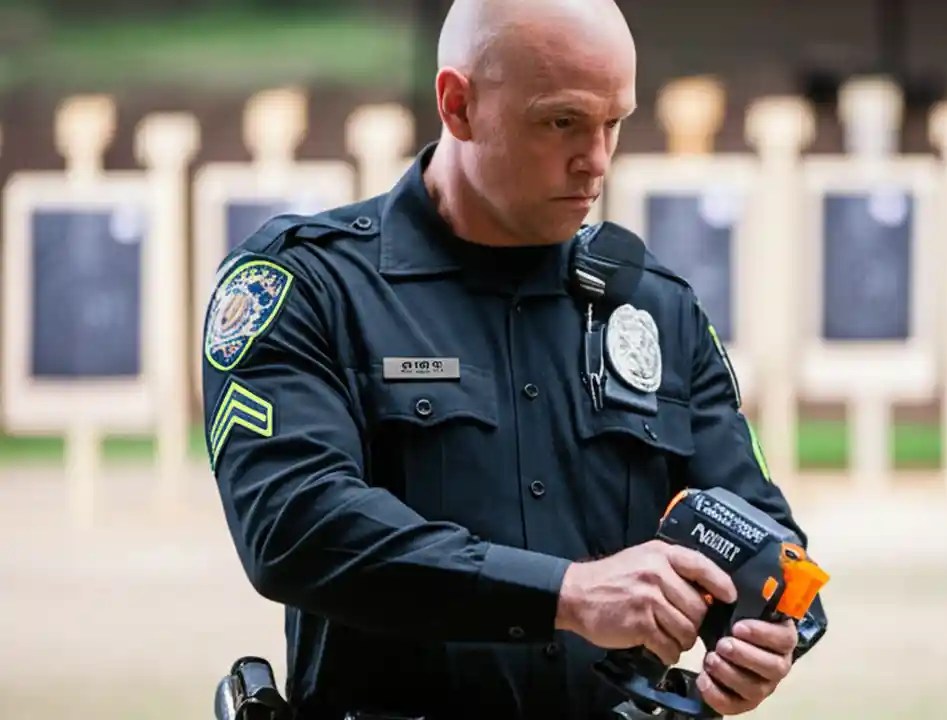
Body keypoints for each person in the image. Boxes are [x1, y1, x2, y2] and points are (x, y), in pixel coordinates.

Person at [201, 0, 825, 717]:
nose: (596, 159)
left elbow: (757, 533)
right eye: (561, 121)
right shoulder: (310, 287)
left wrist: (759, 635)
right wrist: (567, 594)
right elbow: (296, 525)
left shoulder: (656, 309)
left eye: (613, 122)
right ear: (457, 105)